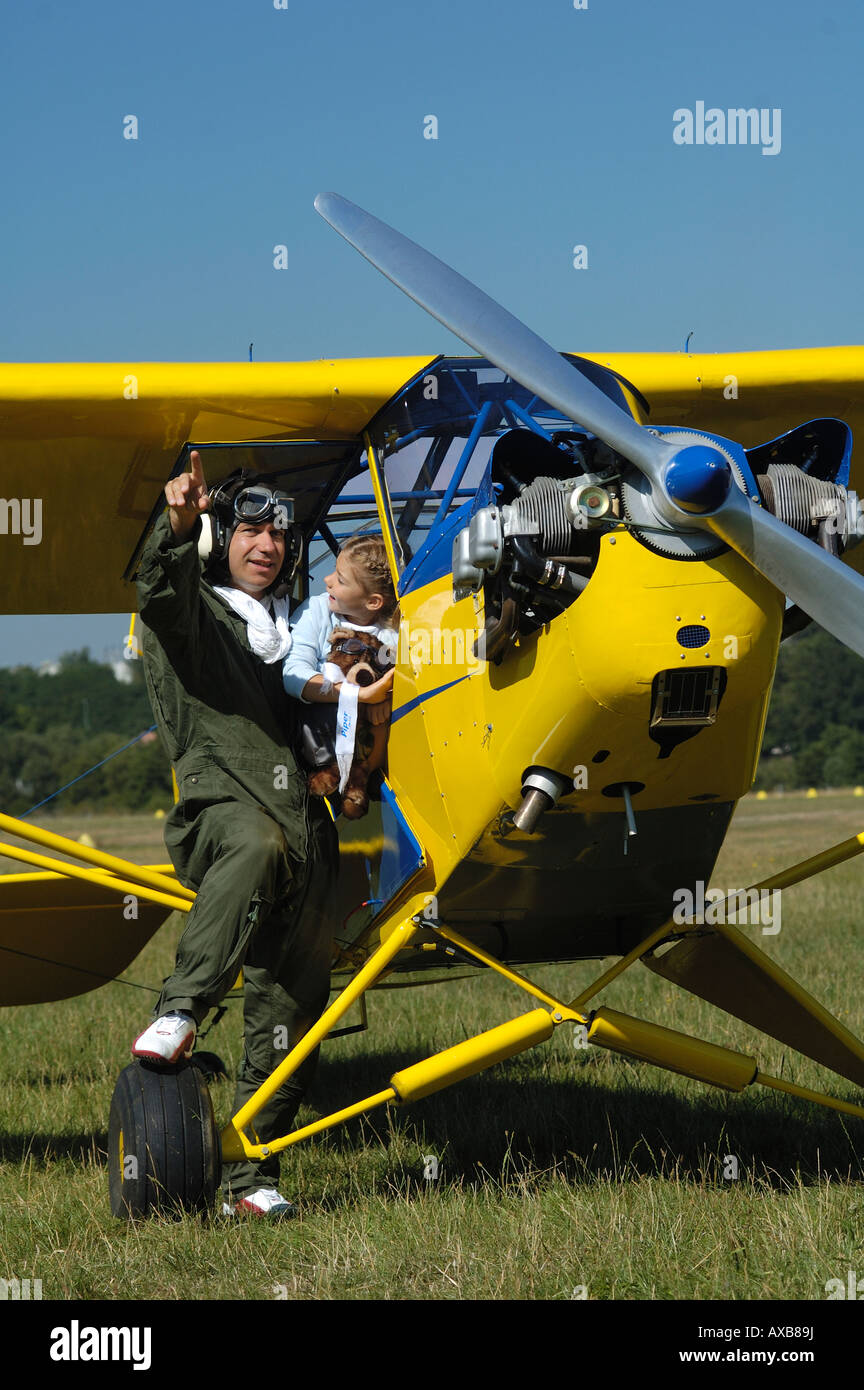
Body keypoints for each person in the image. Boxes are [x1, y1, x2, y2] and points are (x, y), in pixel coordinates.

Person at [130, 451, 388, 1216]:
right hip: (227, 807)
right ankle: (182, 1007)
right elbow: (156, 590)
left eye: (279, 536)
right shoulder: (195, 613)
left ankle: (253, 1177)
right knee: (253, 845)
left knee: (292, 1004)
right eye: (247, 530)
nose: (267, 545)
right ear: (219, 538)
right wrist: (177, 529)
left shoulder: (309, 629)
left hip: (308, 827)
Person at [282, 537, 398, 817]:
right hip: (319, 740)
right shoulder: (317, 609)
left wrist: (390, 695)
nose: (327, 580)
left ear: (373, 601)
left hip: (374, 748)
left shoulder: (394, 634)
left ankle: (362, 776)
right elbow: (292, 674)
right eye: (334, 571)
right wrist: (359, 695)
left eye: (341, 580)